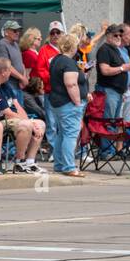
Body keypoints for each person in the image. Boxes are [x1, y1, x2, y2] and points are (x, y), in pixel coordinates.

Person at [0, 57, 45, 173]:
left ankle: (29, 162)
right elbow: (8, 113)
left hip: (9, 120)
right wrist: (30, 123)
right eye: (10, 70)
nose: (11, 73)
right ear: (3, 72)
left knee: (41, 124)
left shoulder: (5, 85)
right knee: (26, 125)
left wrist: (33, 123)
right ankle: (19, 162)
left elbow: (18, 106)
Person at [49, 32, 87, 177]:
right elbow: (71, 84)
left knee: (62, 134)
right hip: (68, 103)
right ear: (73, 46)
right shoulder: (68, 62)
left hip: (58, 103)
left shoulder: (56, 59)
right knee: (71, 134)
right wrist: (78, 102)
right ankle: (69, 166)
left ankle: (59, 164)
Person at [95, 23, 129, 122]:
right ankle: (106, 138)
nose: (119, 37)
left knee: (114, 123)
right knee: (108, 123)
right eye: (115, 35)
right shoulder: (104, 49)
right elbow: (105, 70)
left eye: (120, 35)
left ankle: (110, 138)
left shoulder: (116, 50)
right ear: (108, 36)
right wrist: (122, 68)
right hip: (108, 92)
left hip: (117, 93)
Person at [0, 20, 29, 88]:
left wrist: (24, 77)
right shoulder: (1, 45)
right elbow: (6, 66)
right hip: (9, 84)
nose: (18, 33)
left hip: (18, 84)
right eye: (15, 31)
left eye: (18, 31)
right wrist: (22, 78)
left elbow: (21, 63)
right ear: (6, 32)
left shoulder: (16, 45)